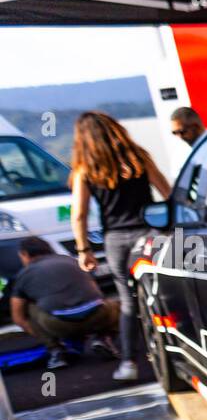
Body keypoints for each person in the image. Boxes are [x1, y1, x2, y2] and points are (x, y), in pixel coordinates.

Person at [70, 111, 171, 381]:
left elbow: (78, 213)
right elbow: (167, 193)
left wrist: (84, 251)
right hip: (149, 234)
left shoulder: (85, 169)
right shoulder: (139, 157)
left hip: (115, 240)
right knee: (161, 294)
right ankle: (174, 353)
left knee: (128, 302)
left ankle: (128, 363)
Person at [9, 236, 118, 370]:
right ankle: (103, 338)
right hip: (98, 316)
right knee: (114, 304)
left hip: (58, 324)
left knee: (29, 309)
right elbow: (96, 292)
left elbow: (17, 318)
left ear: (24, 254)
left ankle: (56, 350)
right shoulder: (72, 260)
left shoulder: (24, 274)